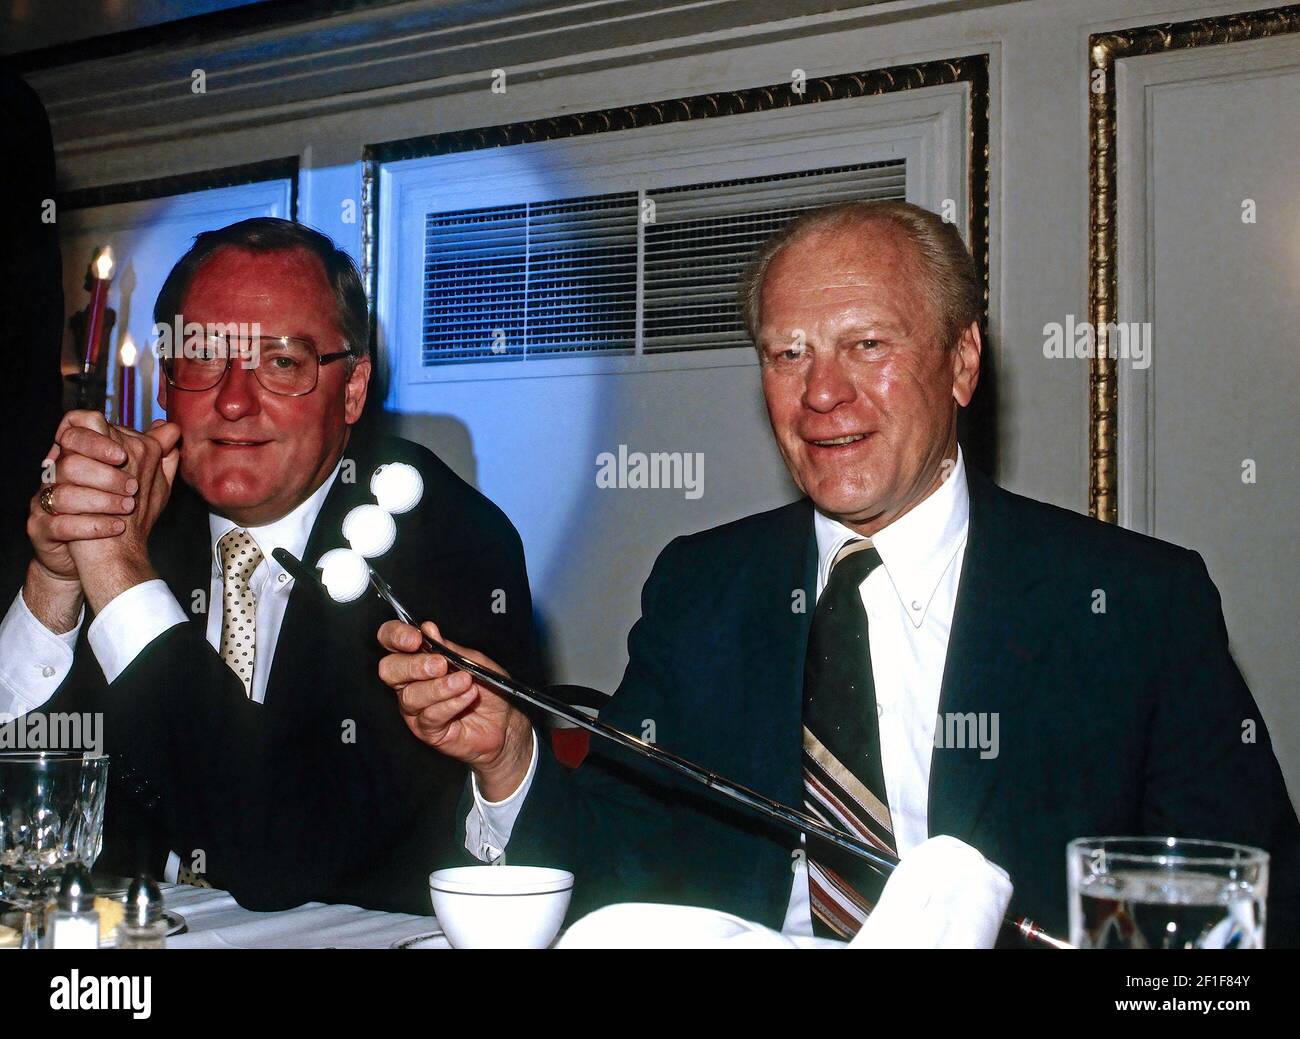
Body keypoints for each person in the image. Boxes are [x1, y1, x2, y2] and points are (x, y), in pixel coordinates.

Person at [376, 200, 1300, 944]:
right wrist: (506, 752)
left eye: (867, 344)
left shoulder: (1135, 605)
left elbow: (1246, 909)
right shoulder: (704, 588)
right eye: (789, 353)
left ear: (962, 362)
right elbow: (613, 870)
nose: (823, 392)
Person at [0, 218, 540, 914]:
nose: (231, 398)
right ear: (167, 383)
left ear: (351, 389)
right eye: (202, 359)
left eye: (281, 362)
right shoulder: (144, 516)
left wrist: (117, 567)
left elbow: (273, 854)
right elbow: (21, 805)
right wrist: (57, 577)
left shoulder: (444, 540)